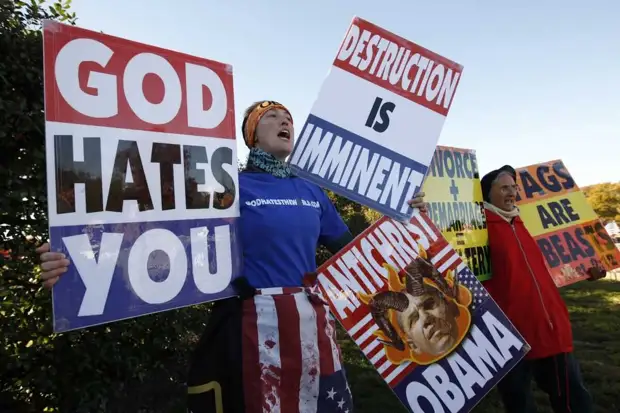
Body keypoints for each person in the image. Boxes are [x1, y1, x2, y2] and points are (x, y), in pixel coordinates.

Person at [36, 100, 428, 413]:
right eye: (271, 116)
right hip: (252, 324)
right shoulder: (230, 185)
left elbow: (355, 251)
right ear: (252, 136)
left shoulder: (312, 190)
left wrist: (404, 219)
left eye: (287, 116)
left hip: (313, 321)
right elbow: (162, 241)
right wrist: (76, 263)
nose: (284, 120)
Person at [480, 165, 606, 413]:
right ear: (487, 193)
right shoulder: (474, 229)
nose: (512, 193)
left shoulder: (528, 222)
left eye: (514, 187)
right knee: (519, 404)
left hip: (551, 329)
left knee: (574, 400)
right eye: (504, 187)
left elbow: (561, 260)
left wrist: (586, 269)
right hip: (508, 334)